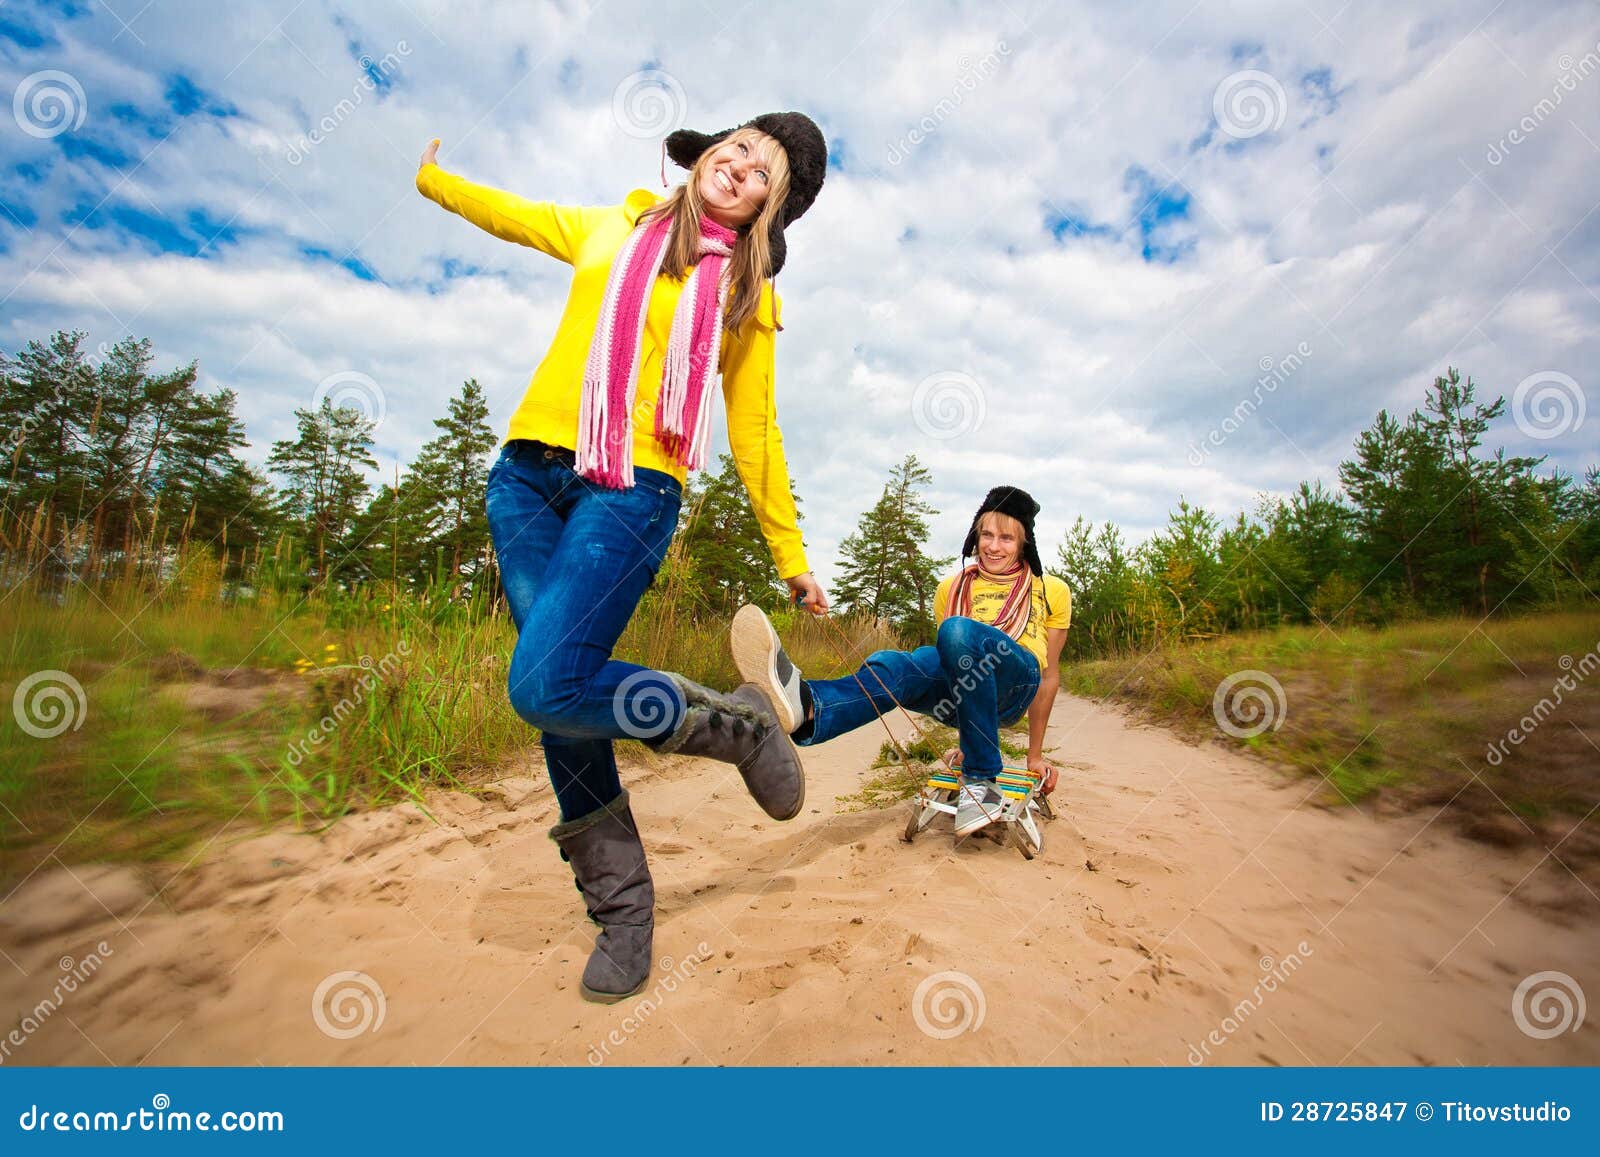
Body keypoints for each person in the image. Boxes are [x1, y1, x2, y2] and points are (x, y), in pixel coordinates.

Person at [414, 113, 830, 1003]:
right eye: (741, 143)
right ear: (706, 153)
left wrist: (789, 551)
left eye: (765, 170)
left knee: (544, 685)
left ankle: (740, 728)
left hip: (635, 487)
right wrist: (435, 181)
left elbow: (755, 431)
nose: (743, 162)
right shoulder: (615, 225)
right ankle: (624, 907)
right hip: (526, 478)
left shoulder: (747, 298)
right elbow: (514, 215)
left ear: (767, 208)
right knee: (562, 697)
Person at [732, 486, 1070, 837]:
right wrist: (969, 739)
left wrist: (1034, 756)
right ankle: (809, 706)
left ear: (1024, 543)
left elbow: (1049, 677)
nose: (993, 546)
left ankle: (982, 780)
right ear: (975, 535)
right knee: (901, 667)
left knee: (956, 632)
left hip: (1015, 686)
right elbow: (953, 667)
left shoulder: (1050, 590)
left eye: (1006, 538)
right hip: (965, 692)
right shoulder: (951, 589)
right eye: (986, 534)